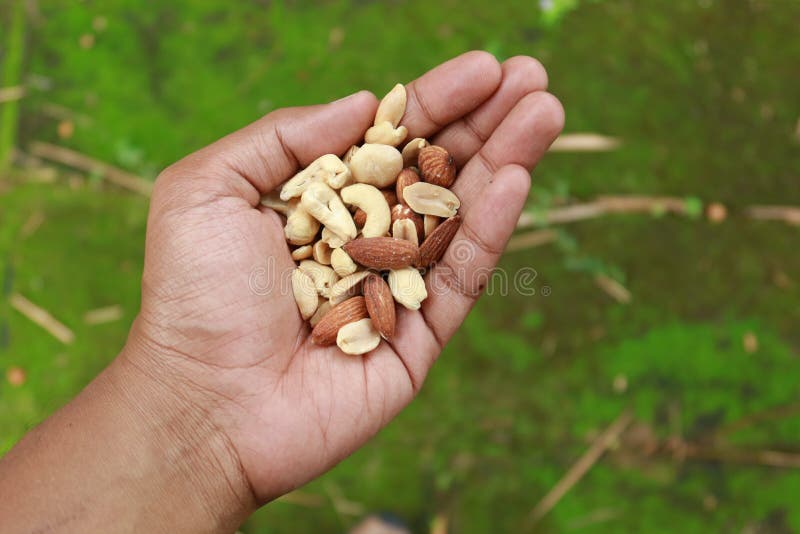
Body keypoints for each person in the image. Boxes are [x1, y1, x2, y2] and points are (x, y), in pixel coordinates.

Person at [0, 51, 563, 532]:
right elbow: (345, 240)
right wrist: (188, 398)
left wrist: (187, 411)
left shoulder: (376, 212)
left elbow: (374, 231)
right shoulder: (343, 230)